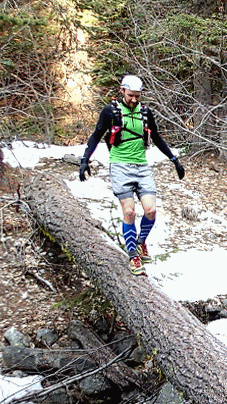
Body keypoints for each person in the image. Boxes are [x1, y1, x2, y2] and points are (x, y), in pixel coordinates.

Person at [78, 74, 185, 276]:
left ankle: (141, 242)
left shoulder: (145, 112)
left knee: (151, 210)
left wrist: (174, 160)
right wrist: (85, 160)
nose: (134, 100)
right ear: (122, 91)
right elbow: (96, 135)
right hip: (120, 166)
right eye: (130, 96)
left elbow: (157, 136)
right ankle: (133, 257)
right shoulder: (110, 111)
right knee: (129, 212)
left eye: (137, 96)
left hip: (142, 166)